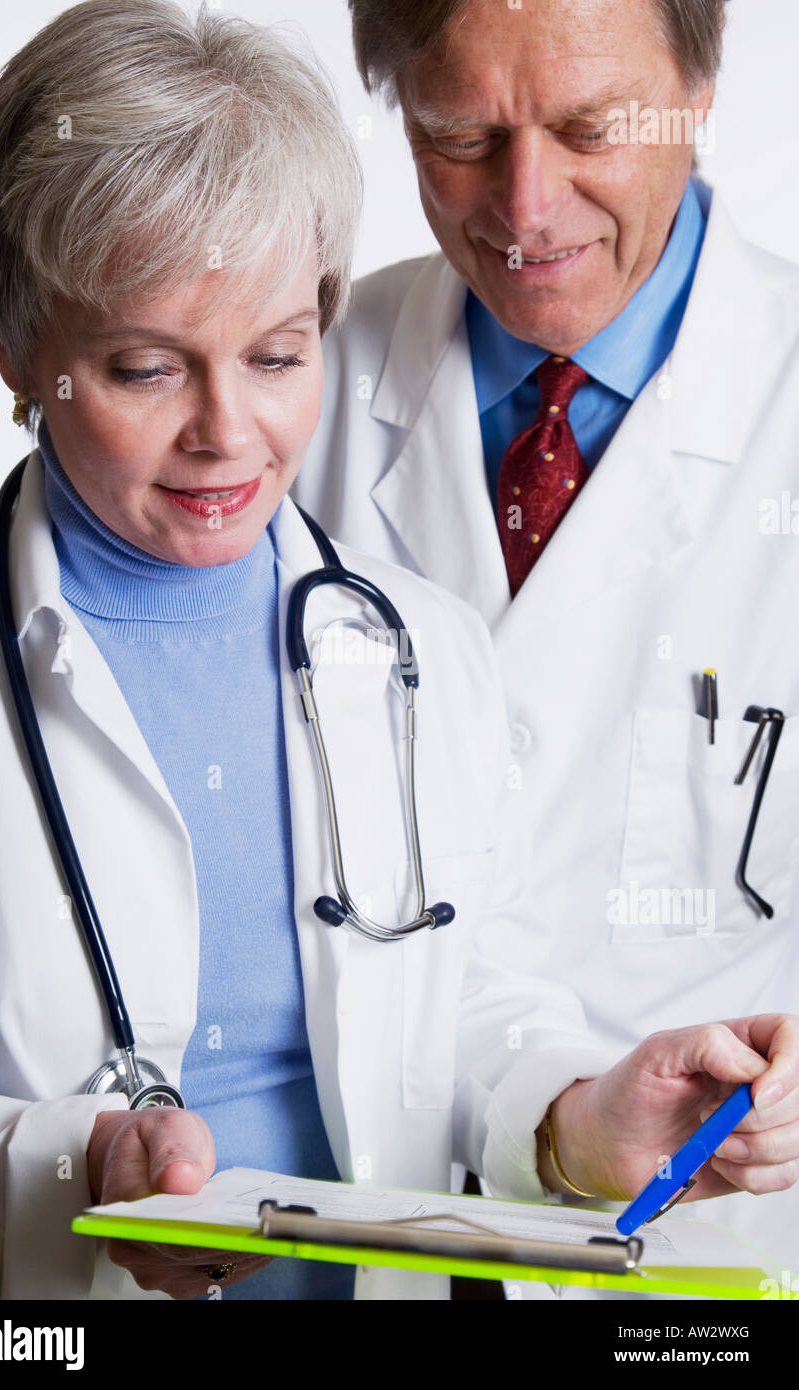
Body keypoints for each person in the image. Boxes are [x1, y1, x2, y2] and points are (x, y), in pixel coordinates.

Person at [0, 0, 797, 1303]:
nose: (228, 433)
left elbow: (455, 1010)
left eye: (280, 353)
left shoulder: (411, 645)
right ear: (11, 344)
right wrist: (64, 1167)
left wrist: (576, 1123)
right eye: (144, 367)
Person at [294, 0, 799, 1274]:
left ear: (698, 88)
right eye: (457, 132)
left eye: (587, 129)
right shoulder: (279, 386)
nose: (523, 209)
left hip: (708, 1254)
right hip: (365, 1231)